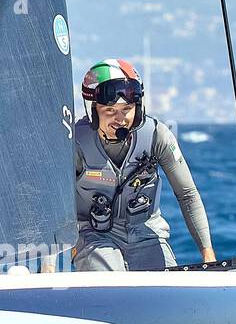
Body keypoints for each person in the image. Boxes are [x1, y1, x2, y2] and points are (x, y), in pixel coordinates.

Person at [72, 59, 216, 271]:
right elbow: (53, 204)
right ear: (93, 110)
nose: (120, 119)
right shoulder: (75, 143)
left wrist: (207, 253)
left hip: (146, 233)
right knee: (111, 286)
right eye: (110, 110)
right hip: (93, 235)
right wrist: (48, 265)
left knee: (166, 292)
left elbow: (187, 194)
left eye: (127, 109)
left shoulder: (157, 136)